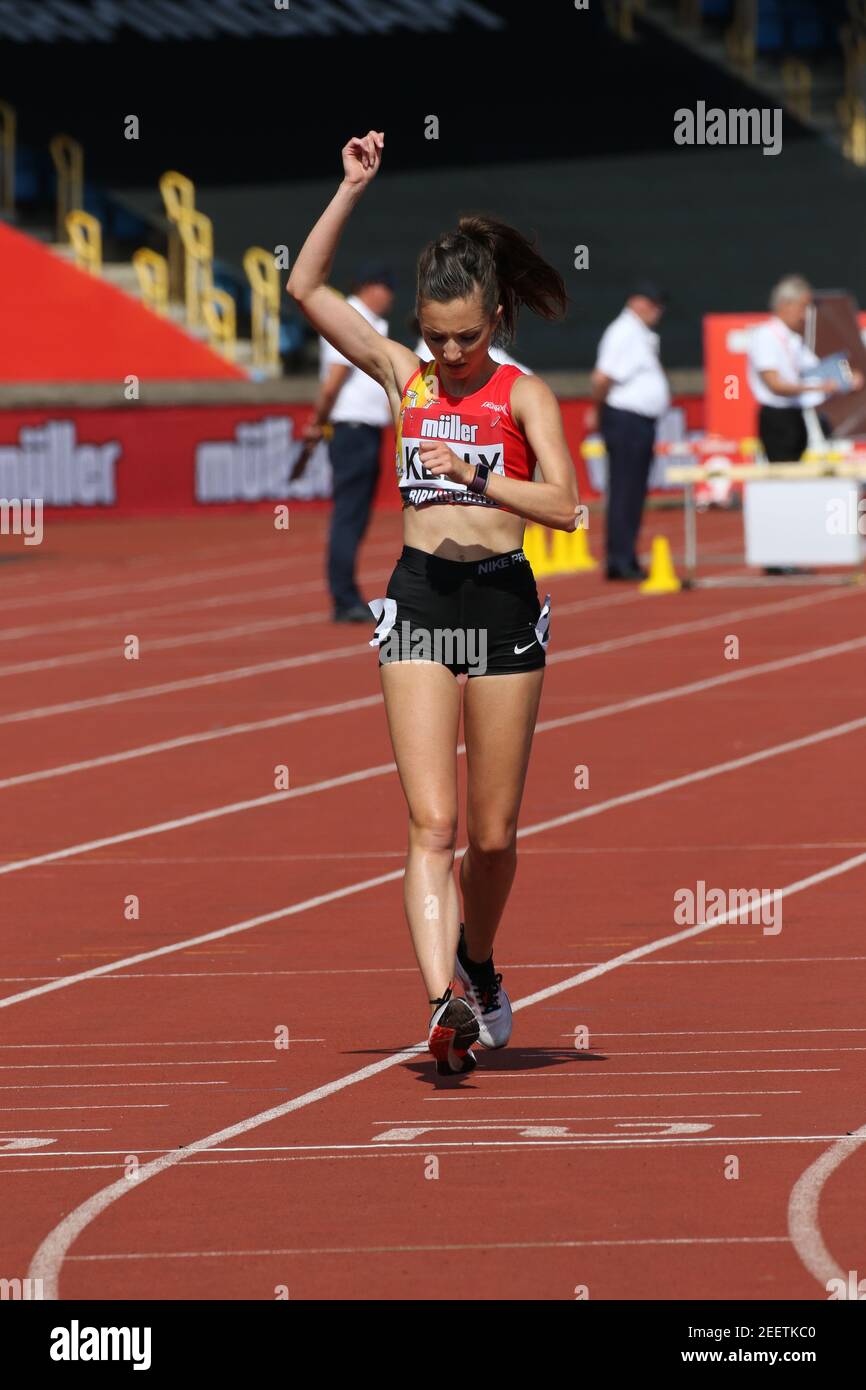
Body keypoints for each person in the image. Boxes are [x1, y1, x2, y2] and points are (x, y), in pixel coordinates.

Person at [287, 130, 580, 1075]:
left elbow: (568, 510)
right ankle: (442, 1002)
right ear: (419, 319)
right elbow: (305, 289)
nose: (452, 354)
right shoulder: (399, 374)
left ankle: (481, 965)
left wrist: (480, 476)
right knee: (433, 825)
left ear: (495, 316)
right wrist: (349, 188)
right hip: (418, 604)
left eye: (469, 337)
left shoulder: (524, 396)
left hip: (501, 607)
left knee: (492, 839)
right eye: (438, 334)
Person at [302, 262, 395, 622]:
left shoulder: (367, 322)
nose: (389, 296)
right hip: (352, 430)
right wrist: (317, 421)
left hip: (365, 429)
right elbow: (333, 381)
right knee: (348, 514)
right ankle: (343, 597)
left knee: (356, 515)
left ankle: (347, 593)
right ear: (371, 286)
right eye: (385, 287)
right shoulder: (350, 319)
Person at [590, 282, 671, 579]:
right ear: (637, 302)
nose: (658, 311)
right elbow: (602, 378)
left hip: (637, 420)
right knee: (625, 489)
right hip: (626, 419)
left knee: (634, 491)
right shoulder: (623, 332)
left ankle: (627, 556)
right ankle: (619, 559)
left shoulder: (638, 334)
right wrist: (597, 410)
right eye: (653, 304)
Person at [747, 274, 862, 464]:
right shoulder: (765, 336)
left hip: (796, 415)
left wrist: (847, 379)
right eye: (802, 308)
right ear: (785, 305)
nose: (804, 315)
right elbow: (775, 385)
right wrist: (820, 387)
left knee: (798, 469)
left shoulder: (793, 339)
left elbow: (817, 369)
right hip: (777, 419)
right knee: (782, 473)